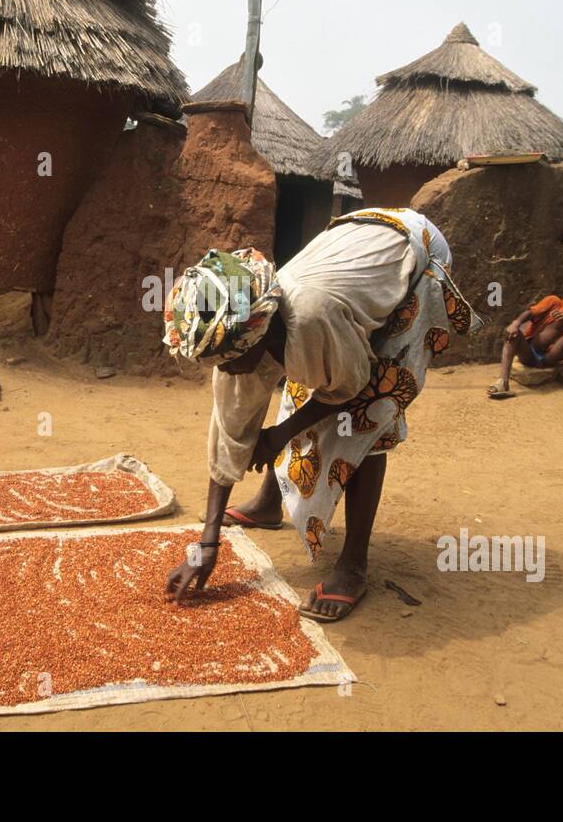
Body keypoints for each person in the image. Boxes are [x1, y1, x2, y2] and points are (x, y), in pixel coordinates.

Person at [161, 207, 480, 622]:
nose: (224, 369)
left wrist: (278, 436)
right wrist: (207, 542)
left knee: (365, 418)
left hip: (415, 251)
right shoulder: (244, 336)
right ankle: (268, 504)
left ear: (259, 335)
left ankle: (353, 567)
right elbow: (229, 430)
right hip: (357, 237)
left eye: (229, 360)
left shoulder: (311, 319)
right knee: (309, 381)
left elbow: (351, 388)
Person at [488, 280, 563, 405]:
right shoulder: (553, 302)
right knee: (513, 334)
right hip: (528, 354)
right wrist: (515, 324)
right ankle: (503, 382)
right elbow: (530, 313)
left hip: (549, 358)